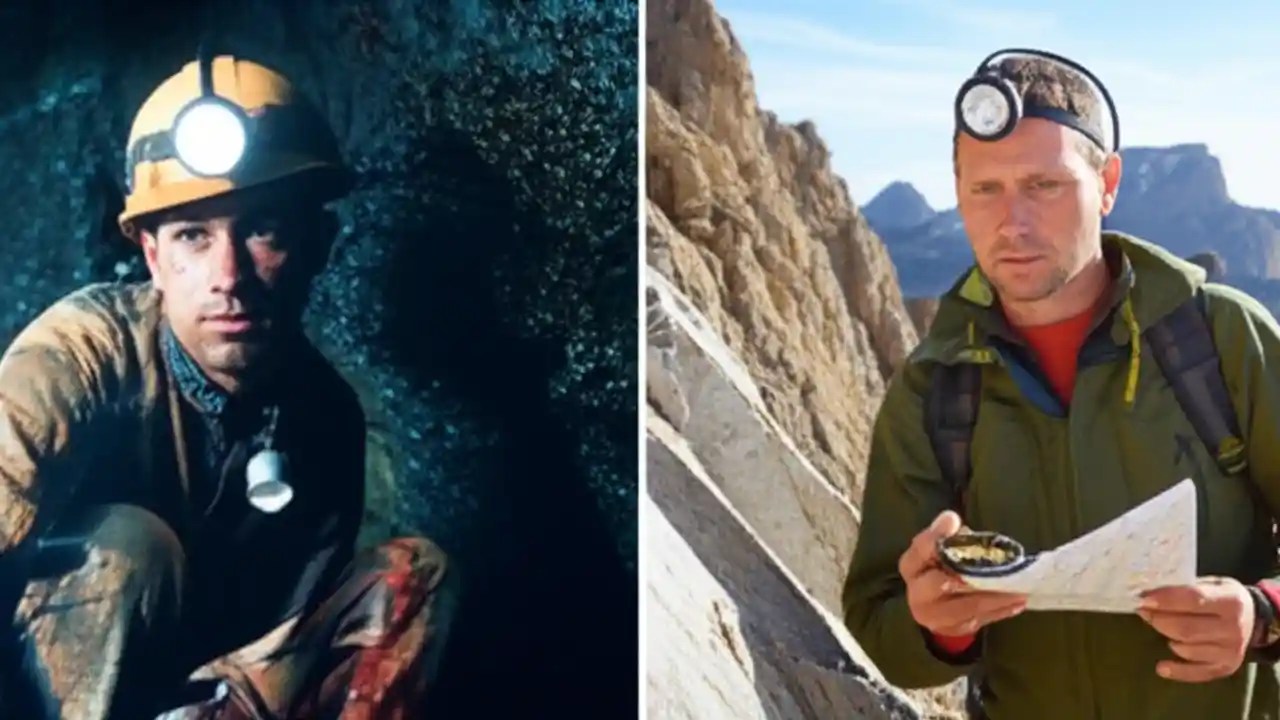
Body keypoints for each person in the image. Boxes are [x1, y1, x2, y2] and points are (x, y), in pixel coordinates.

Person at [0, 51, 458, 719]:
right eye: (192, 235)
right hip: (43, 689)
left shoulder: (324, 419)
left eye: (263, 230)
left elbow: (274, 648)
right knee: (130, 548)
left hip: (195, 695)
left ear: (317, 243)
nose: (229, 275)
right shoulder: (82, 353)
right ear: (153, 256)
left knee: (416, 576)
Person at [842, 48, 1280, 719]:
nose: (1011, 223)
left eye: (1044, 185)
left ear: (1106, 183)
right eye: (983, 190)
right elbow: (880, 628)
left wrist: (1261, 615)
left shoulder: (1221, 341)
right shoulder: (932, 389)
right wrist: (940, 625)